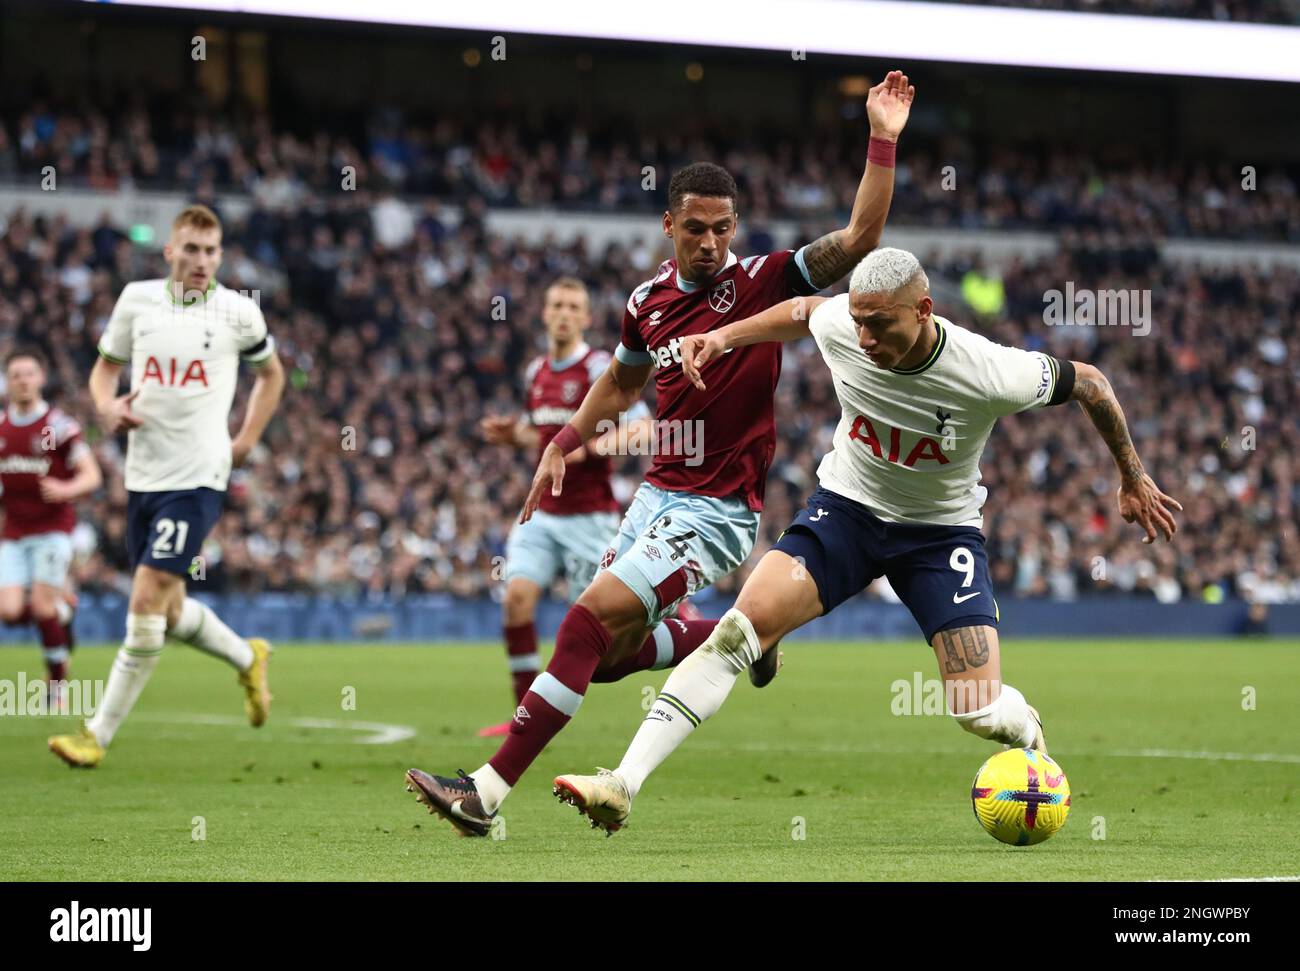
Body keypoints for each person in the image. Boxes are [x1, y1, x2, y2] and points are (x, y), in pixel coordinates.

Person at [405, 71, 916, 836]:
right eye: (696, 229)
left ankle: (484, 793)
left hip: (717, 512)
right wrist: (564, 441)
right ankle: (738, 633)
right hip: (654, 497)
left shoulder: (763, 279)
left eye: (723, 228)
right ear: (668, 225)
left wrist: (881, 136)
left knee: (581, 623)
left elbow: (861, 241)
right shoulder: (646, 303)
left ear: (735, 226)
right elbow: (619, 378)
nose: (711, 243)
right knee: (608, 657)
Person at [553, 246, 1182, 833]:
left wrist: (1133, 476)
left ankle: (1028, 732)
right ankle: (623, 784)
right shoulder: (843, 327)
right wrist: (721, 336)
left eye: (880, 325)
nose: (865, 339)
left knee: (975, 708)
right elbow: (802, 311)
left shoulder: (992, 372)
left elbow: (1092, 383)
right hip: (847, 513)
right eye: (858, 322)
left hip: (940, 536)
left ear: (924, 311)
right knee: (733, 634)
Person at [48, 204, 286, 767]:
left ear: (220, 255)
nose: (202, 261)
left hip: (200, 475)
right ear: (170, 252)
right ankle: (247, 656)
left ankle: (96, 736)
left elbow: (272, 375)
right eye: (192, 250)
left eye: (212, 251)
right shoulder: (137, 300)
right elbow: (105, 370)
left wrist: (247, 438)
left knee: (147, 596)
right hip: (143, 476)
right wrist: (106, 408)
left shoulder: (237, 313)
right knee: (171, 611)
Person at [0, 348, 102, 710]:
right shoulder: (1, 427)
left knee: (41, 607)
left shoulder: (59, 427)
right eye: (16, 375)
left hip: (52, 528)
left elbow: (92, 475)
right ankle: (64, 610)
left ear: (41, 378)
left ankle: (57, 684)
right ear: (8, 382)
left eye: (29, 373)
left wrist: (64, 489)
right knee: (9, 611)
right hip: (12, 532)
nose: (23, 380)